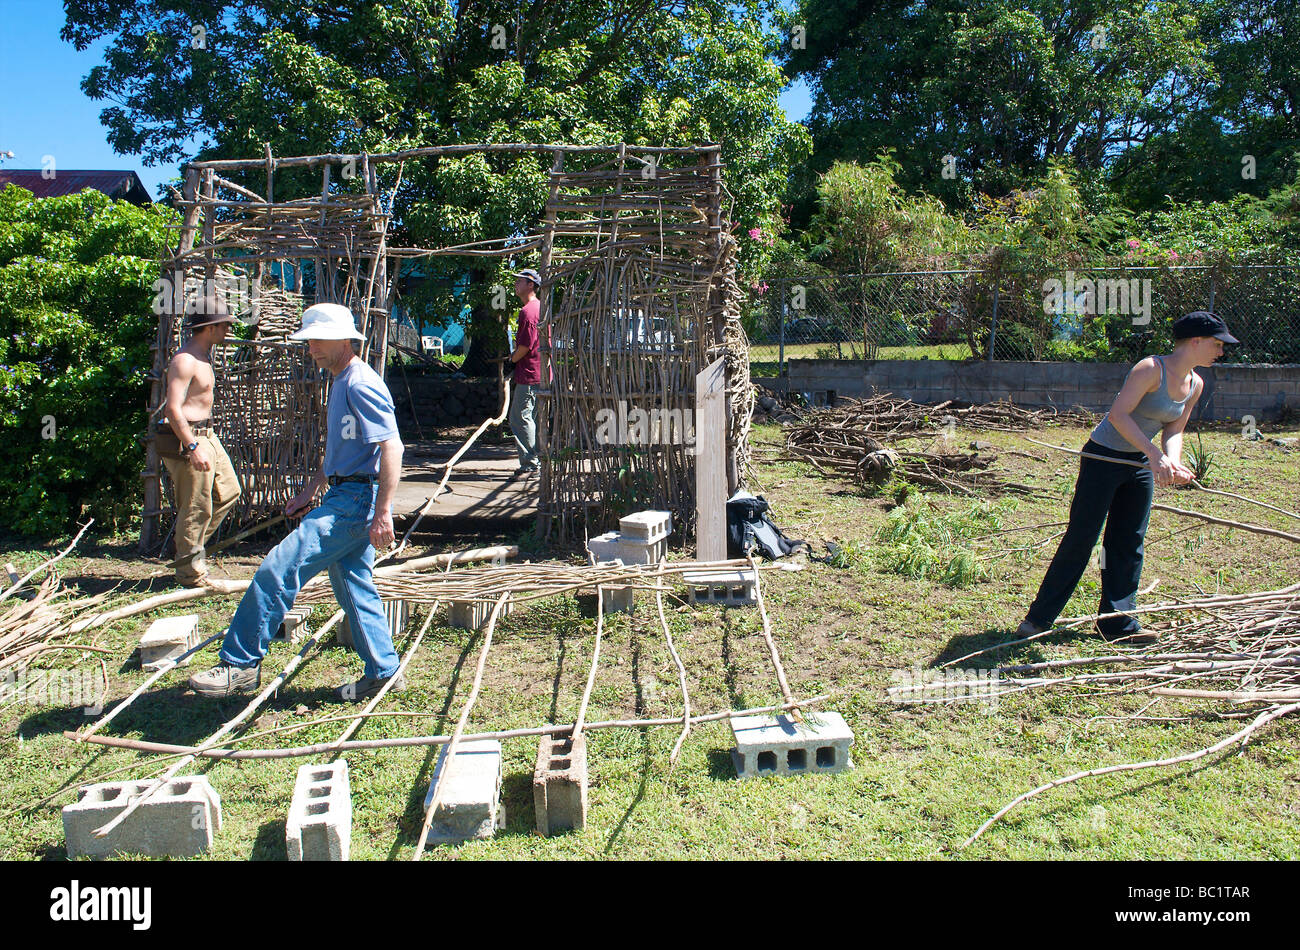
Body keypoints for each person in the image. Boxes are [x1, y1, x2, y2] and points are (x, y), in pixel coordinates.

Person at [189, 303, 405, 701]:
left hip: (354, 502)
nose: (311, 350)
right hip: (346, 493)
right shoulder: (341, 380)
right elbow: (343, 452)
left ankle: (239, 666)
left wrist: (383, 512)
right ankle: (384, 671)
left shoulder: (360, 383)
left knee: (278, 567)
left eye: (317, 341)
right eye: (309, 343)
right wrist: (311, 488)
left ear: (343, 338)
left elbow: (392, 446)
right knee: (354, 587)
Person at [1016, 311, 1238, 644]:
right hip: (1103, 458)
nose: (1221, 352)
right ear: (1195, 341)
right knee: (1082, 538)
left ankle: (1116, 624)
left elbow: (1174, 428)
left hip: (1140, 463)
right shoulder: (1150, 369)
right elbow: (1118, 416)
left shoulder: (1196, 383)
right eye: (1217, 344)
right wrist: (1154, 456)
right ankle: (1038, 619)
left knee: (1128, 541)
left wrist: (1172, 463)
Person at [160, 295, 243, 587]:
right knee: (196, 507)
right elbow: (172, 408)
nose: (227, 332)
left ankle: (188, 550)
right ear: (209, 327)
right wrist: (191, 446)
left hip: (207, 434)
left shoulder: (204, 356)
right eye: (223, 326)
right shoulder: (185, 360)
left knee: (230, 491)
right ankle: (189, 574)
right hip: (190, 437)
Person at [506, 267, 545, 474]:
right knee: (532, 418)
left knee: (519, 417)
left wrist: (511, 360)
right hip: (541, 371)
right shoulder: (541, 307)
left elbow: (525, 346)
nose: (516, 284)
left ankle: (530, 464)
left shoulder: (528, 311)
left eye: (519, 281)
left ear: (531, 284)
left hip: (530, 372)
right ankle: (536, 459)